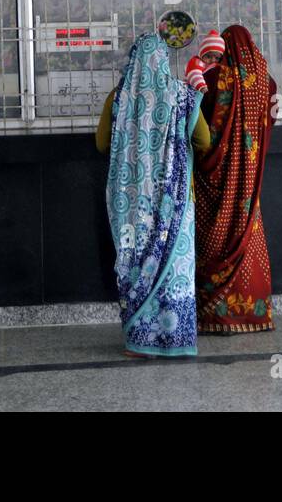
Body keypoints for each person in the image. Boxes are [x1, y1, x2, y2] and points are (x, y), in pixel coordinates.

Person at [95, 32, 211, 357]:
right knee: (175, 269)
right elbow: (204, 140)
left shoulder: (118, 98)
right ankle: (176, 341)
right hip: (175, 202)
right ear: (164, 61)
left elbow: (101, 144)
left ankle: (138, 341)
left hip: (130, 205)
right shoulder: (182, 96)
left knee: (133, 265)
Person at [194, 25, 278, 334]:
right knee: (248, 234)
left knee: (212, 239)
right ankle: (253, 313)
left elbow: (197, 125)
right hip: (249, 179)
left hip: (214, 178)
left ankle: (212, 315)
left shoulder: (214, 80)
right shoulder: (267, 83)